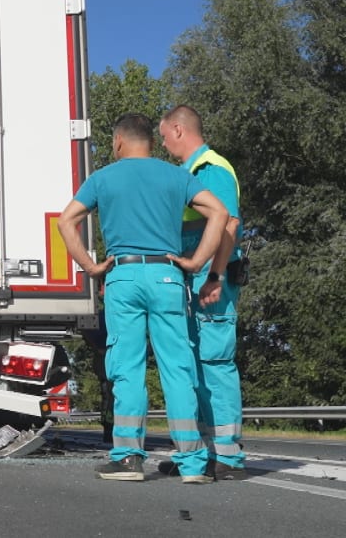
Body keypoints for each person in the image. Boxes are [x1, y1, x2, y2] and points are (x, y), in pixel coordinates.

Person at [57, 113, 227, 484]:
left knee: (127, 368)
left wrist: (90, 266)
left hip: (124, 276)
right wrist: (197, 262)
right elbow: (219, 212)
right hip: (168, 276)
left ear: (118, 141)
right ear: (151, 141)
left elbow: (65, 221)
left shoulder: (103, 178)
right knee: (177, 367)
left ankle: (129, 459)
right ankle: (193, 464)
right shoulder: (177, 176)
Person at [158, 104, 247, 480]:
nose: (163, 144)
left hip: (210, 279)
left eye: (164, 137)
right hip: (197, 277)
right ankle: (207, 454)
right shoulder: (187, 173)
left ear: (178, 130)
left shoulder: (210, 167)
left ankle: (227, 458)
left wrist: (215, 274)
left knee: (213, 361)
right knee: (195, 365)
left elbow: (228, 221)